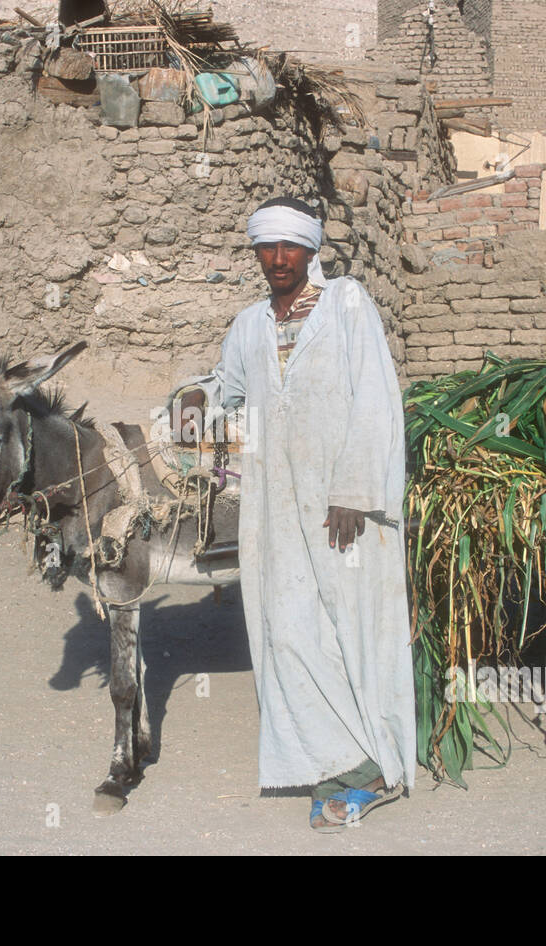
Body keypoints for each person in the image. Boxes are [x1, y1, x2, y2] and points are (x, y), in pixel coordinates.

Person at [175, 196, 416, 830]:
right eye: (267, 247)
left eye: (290, 247)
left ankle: (374, 767)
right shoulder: (249, 323)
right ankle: (332, 758)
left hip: (346, 508)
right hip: (274, 507)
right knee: (286, 629)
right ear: (254, 251)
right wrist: (187, 406)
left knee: (352, 626)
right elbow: (223, 392)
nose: (278, 259)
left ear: (312, 249)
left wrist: (355, 490)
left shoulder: (347, 303)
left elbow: (376, 396)